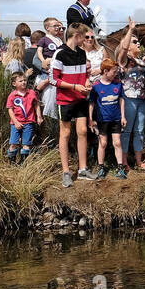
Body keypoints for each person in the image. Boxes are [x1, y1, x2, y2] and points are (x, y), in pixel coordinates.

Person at [52, 22, 95, 186]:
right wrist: (74, 87)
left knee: (83, 131)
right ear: (76, 36)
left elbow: (84, 75)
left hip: (81, 98)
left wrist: (86, 83)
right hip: (65, 100)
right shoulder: (60, 53)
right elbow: (53, 80)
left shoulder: (82, 53)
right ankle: (66, 172)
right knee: (65, 133)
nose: (85, 40)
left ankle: (83, 169)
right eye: (83, 37)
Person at [116, 21, 145, 169]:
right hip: (128, 99)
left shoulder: (142, 61)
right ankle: (123, 162)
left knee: (139, 131)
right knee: (127, 131)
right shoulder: (125, 60)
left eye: (138, 42)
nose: (138, 44)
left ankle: (138, 161)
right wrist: (130, 30)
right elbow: (123, 48)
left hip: (142, 100)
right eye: (135, 42)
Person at [89, 59, 127, 179]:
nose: (115, 74)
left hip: (116, 118)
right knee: (103, 143)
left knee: (117, 142)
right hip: (102, 119)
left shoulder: (118, 83)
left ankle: (120, 168)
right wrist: (90, 118)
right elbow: (92, 103)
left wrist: (123, 116)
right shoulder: (96, 86)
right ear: (105, 71)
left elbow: (121, 100)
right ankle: (101, 167)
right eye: (113, 72)